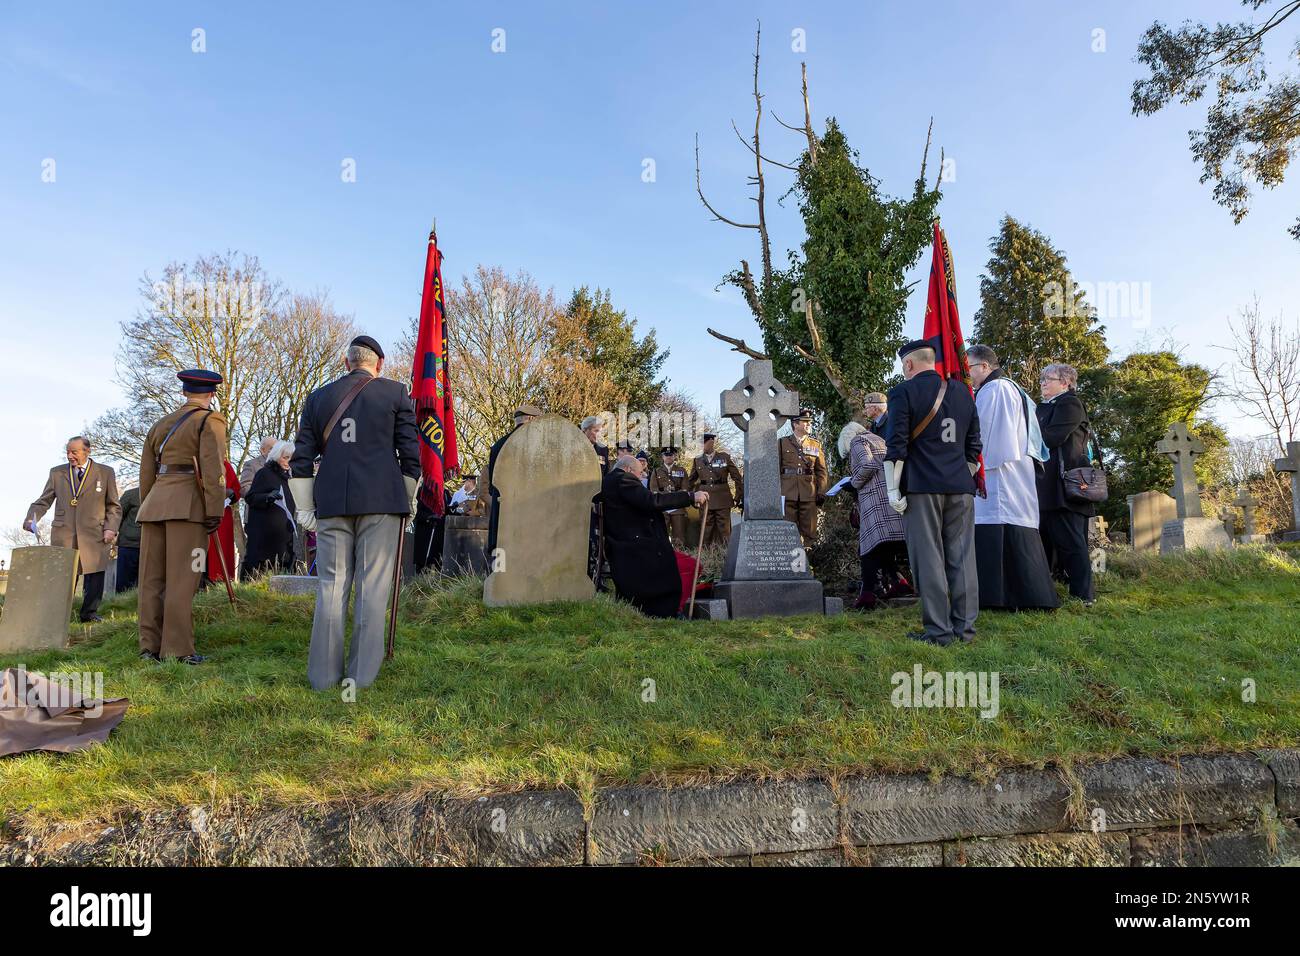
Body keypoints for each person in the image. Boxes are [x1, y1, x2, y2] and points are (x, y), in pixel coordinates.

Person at [290, 335, 420, 691]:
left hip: (331, 502)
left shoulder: (317, 398)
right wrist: (406, 499)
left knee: (330, 588)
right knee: (372, 589)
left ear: (346, 363)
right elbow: (411, 455)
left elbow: (301, 459)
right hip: (382, 500)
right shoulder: (396, 393)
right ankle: (359, 680)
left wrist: (304, 509)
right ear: (379, 364)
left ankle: (323, 678)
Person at [884, 339, 983, 646]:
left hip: (922, 488)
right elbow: (974, 447)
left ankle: (939, 633)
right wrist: (958, 475)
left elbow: (896, 447)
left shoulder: (901, 392)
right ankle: (965, 631)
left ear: (909, 365)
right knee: (963, 559)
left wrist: (891, 489)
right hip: (960, 488)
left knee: (928, 560)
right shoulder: (963, 393)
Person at [136, 370, 228, 662]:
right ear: (211, 394)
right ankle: (177, 650)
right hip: (188, 508)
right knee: (182, 579)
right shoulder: (209, 421)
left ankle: (148, 647)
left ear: (185, 392)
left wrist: (148, 504)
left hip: (154, 506)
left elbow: (146, 473)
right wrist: (214, 510)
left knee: (151, 580)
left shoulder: (160, 424)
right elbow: (213, 470)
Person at [967, 346, 1059, 611]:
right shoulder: (1007, 387)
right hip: (1012, 471)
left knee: (1000, 523)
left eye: (970, 368)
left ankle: (1002, 598)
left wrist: (972, 464)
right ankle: (1020, 596)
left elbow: (982, 431)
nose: (967, 375)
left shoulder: (994, 390)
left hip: (1000, 473)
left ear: (984, 366)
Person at [24, 436, 121, 622]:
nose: (70, 456)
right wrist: (31, 519)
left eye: (74, 452)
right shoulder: (57, 473)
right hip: (64, 533)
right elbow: (43, 501)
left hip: (95, 533)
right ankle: (60, 615)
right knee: (64, 575)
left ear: (87, 451)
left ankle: (89, 614)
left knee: (95, 574)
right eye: (68, 452)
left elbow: (114, 505)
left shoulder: (105, 472)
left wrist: (111, 528)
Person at [600, 453, 709, 617]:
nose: (641, 477)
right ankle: (673, 610)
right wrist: (690, 496)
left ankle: (671, 609)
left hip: (630, 544)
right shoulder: (623, 480)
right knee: (692, 566)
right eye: (639, 474)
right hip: (638, 548)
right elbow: (651, 500)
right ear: (628, 469)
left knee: (688, 564)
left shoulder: (612, 481)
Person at [1036, 362, 1096, 605]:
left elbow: (1052, 437)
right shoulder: (1043, 407)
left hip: (1066, 486)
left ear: (1065, 383)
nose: (1042, 383)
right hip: (1045, 485)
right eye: (1041, 379)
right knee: (1043, 541)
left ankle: (1083, 596)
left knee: (1072, 542)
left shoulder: (1070, 403)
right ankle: (1047, 590)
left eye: (1048, 379)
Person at [841, 421, 908, 610]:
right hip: (889, 497)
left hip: (874, 501)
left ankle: (867, 595)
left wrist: (852, 483)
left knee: (867, 549)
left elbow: (868, 465)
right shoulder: (879, 439)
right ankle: (898, 582)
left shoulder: (857, 441)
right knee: (882, 545)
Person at [486, 403, 542, 562]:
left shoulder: (498, 445)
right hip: (524, 516)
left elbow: (491, 486)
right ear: (531, 419)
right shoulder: (532, 446)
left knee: (500, 569)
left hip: (501, 515)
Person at [242, 439, 297, 577]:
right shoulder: (264, 473)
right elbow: (251, 497)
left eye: (291, 458)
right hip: (264, 535)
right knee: (261, 571)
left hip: (283, 533)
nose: (288, 462)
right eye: (285, 457)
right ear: (277, 456)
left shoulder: (289, 478)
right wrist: (267, 497)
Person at [779, 408, 828, 548]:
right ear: (795, 424)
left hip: (809, 492)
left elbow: (822, 471)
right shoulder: (782, 443)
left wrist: (821, 491)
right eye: (805, 422)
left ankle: (807, 561)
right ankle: (788, 558)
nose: (808, 425)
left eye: (809, 422)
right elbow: (776, 469)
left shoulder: (815, 445)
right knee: (788, 529)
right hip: (787, 492)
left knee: (810, 530)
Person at [688, 433, 743, 549]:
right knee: (705, 529)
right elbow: (691, 481)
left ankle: (727, 555)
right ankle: (706, 556)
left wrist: (738, 496)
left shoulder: (724, 457)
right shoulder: (697, 460)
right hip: (705, 499)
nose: (701, 446)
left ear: (711, 442)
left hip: (722, 498)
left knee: (724, 530)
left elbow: (737, 477)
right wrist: (689, 497)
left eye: (703, 443)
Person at [205, 459, 240, 587]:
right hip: (198, 513)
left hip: (221, 516)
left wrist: (231, 494)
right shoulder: (192, 461)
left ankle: (218, 581)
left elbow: (236, 489)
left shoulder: (224, 465)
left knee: (219, 555)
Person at [649, 447, 690, 548]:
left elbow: (685, 489)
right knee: (662, 537)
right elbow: (653, 490)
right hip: (662, 508)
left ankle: (680, 557)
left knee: (679, 537)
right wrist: (666, 499)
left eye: (671, 455)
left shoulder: (682, 471)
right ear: (662, 457)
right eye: (666, 455)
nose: (668, 457)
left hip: (678, 508)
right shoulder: (656, 471)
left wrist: (674, 498)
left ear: (674, 456)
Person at [115, 485, 142, 592]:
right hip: (129, 545)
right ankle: (121, 606)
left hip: (152, 546)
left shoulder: (161, 494)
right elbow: (118, 516)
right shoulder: (131, 494)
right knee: (123, 582)